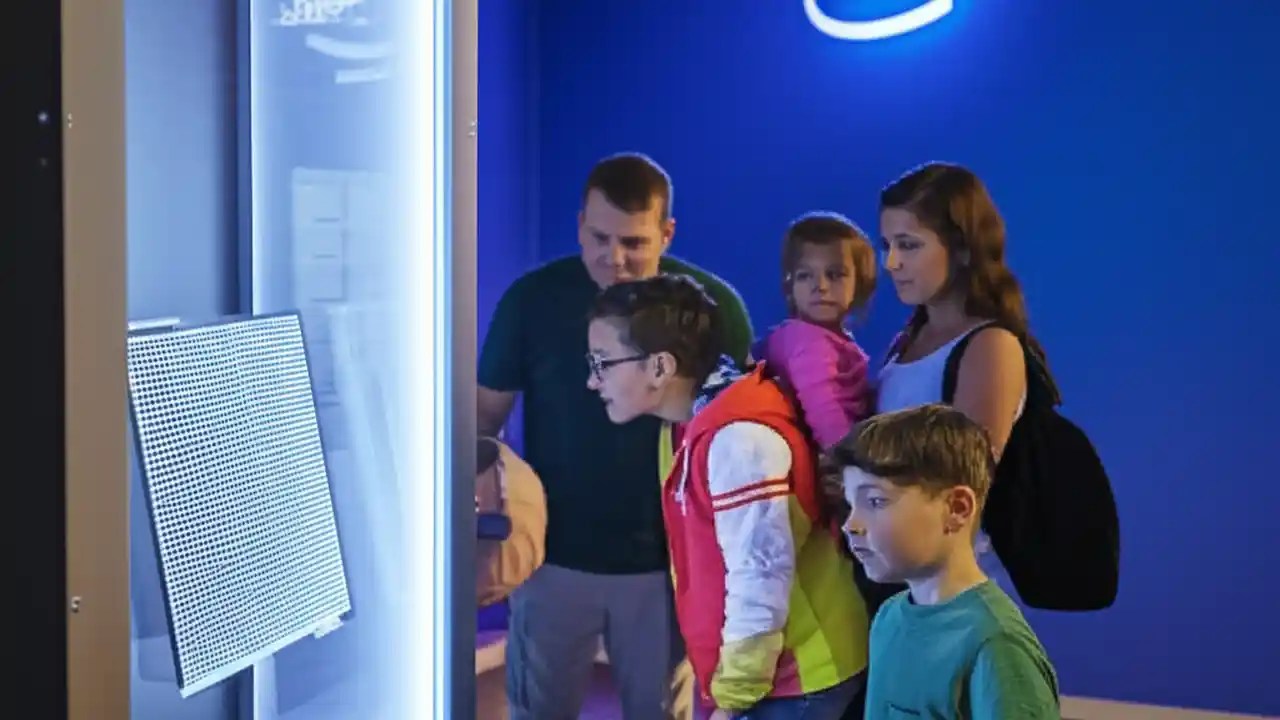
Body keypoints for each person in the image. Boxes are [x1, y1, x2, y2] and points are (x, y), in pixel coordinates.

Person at [478, 152, 754, 720]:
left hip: (666, 561)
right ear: (579, 224)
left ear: (666, 233)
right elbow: (483, 418)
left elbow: (735, 430)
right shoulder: (533, 300)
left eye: (634, 242)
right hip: (551, 556)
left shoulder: (711, 309)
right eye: (600, 237)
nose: (615, 257)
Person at [586, 274, 867, 720]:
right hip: (764, 677)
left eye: (602, 363)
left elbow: (760, 579)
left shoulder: (739, 440)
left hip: (799, 682)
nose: (592, 381)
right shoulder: (680, 426)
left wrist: (733, 699)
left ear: (659, 367)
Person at [830, 404, 1060, 719]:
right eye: (850, 504)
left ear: (957, 508)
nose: (850, 525)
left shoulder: (994, 643)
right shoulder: (888, 619)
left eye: (875, 501)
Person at [874, 161, 1035, 573]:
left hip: (954, 586)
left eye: (908, 245)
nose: (890, 262)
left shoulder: (990, 346)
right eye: (886, 244)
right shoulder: (906, 341)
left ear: (962, 248)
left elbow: (960, 485)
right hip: (901, 574)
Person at [752, 212, 878, 451]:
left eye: (835, 275)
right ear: (789, 286)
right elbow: (825, 412)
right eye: (804, 276)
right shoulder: (807, 341)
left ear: (860, 284)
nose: (820, 286)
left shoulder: (825, 339)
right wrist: (851, 467)